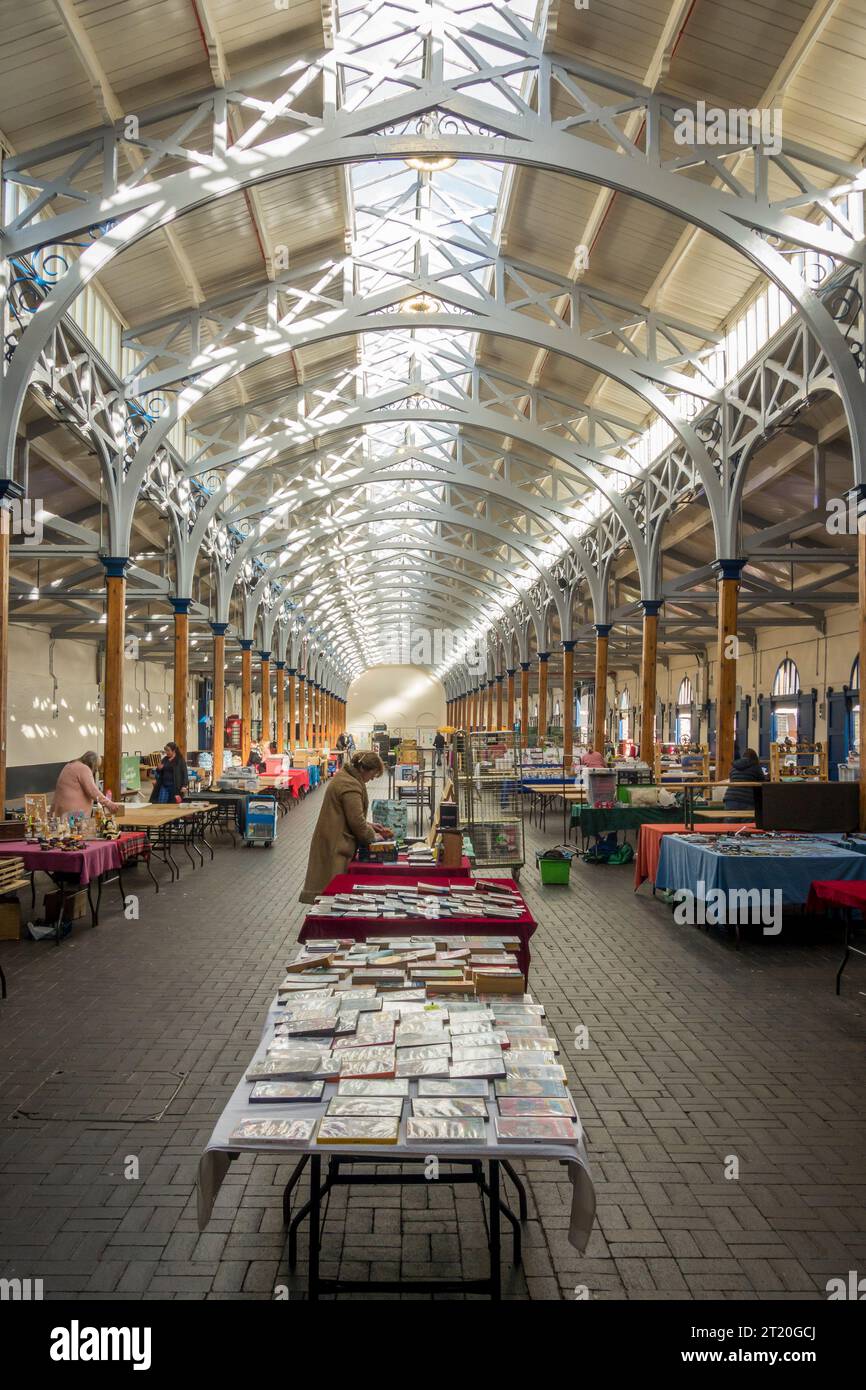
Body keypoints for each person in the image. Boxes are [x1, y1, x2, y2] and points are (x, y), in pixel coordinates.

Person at [300, 750, 392, 902]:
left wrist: (370, 825)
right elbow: (356, 821)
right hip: (336, 844)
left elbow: (348, 816)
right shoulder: (350, 785)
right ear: (363, 769)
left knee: (329, 890)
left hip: (332, 838)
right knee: (333, 891)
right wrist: (373, 836)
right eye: (373, 775)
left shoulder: (345, 777)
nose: (371, 779)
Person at [52, 752, 123, 818]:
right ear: (92, 763)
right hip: (74, 813)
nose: (96, 770)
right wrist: (109, 803)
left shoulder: (69, 765)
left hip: (61, 809)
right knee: (76, 830)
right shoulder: (83, 768)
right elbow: (92, 791)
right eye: (96, 767)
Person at [723, 747, 766, 813]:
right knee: (747, 822)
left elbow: (731, 778)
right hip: (748, 799)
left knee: (730, 821)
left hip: (731, 798)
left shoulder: (734, 766)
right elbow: (762, 782)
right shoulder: (756, 766)